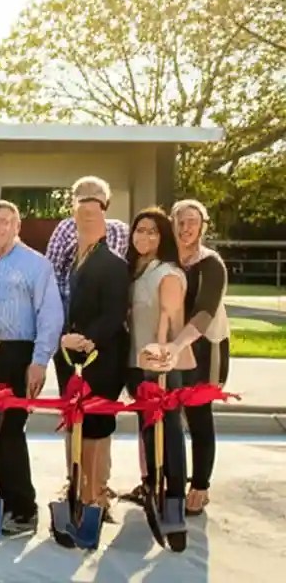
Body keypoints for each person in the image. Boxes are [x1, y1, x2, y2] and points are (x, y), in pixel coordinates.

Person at [0, 200, 63, 534]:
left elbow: (50, 315)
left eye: (6, 222)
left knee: (9, 431)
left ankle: (24, 508)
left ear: (17, 225)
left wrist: (39, 362)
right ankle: (7, 491)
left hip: (18, 354)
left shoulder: (36, 265)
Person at [53, 187, 129, 522]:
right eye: (80, 214)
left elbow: (114, 314)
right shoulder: (77, 258)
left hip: (101, 356)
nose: (86, 219)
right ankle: (79, 487)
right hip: (74, 356)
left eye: (93, 214)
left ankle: (97, 494)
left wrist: (85, 340)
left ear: (104, 219)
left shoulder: (112, 262)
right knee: (77, 421)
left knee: (97, 425)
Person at [120, 207, 190, 514]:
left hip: (161, 366)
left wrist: (160, 357)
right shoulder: (136, 271)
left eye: (152, 231)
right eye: (139, 230)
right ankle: (150, 485)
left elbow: (168, 319)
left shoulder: (168, 273)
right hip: (136, 363)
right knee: (147, 428)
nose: (144, 237)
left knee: (169, 429)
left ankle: (174, 495)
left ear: (163, 237)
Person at [171, 199, 230, 516]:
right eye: (180, 220)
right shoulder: (166, 261)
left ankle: (200, 485)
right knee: (168, 417)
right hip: (171, 349)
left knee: (198, 417)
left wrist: (179, 345)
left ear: (202, 225)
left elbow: (205, 312)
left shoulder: (211, 263)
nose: (186, 227)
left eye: (192, 220)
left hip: (204, 347)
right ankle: (171, 482)